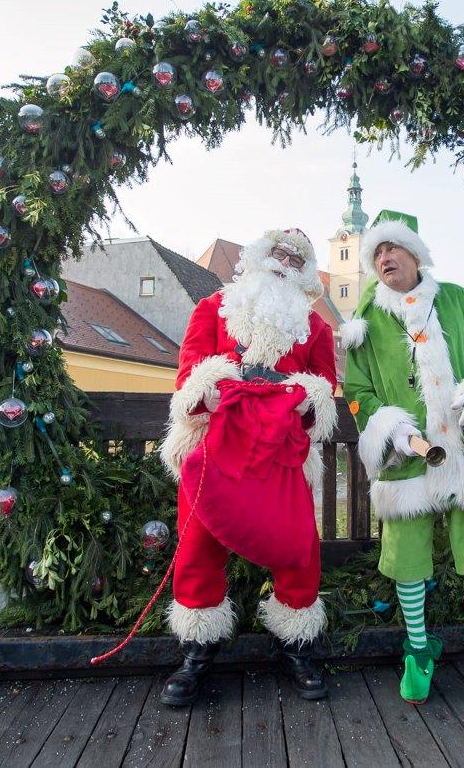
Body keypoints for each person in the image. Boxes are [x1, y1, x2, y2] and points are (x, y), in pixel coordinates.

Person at [341, 210, 464, 706]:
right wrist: (389, 427)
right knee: (407, 556)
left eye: (392, 248)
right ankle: (418, 649)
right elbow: (356, 388)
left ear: (415, 254)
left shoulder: (460, 300)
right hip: (407, 460)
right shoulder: (365, 321)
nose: (384, 258)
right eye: (376, 252)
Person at [158, 228, 337, 707]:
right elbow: (188, 374)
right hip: (216, 446)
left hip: (281, 453)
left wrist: (305, 400)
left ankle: (295, 647)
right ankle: (198, 652)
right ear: (258, 257)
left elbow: (325, 385)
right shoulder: (213, 307)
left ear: (304, 273)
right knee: (198, 545)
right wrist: (209, 387)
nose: (283, 260)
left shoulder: (315, 327)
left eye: (295, 258)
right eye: (277, 251)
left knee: (297, 550)